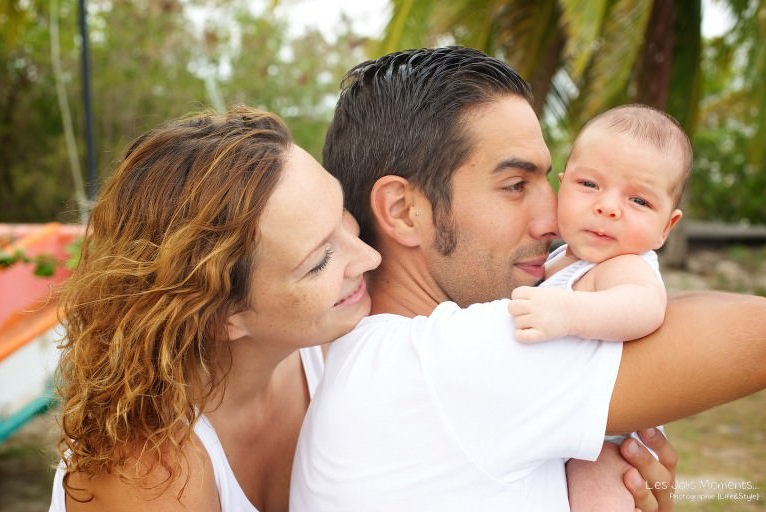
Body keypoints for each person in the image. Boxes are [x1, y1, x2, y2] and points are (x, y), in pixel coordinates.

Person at [290, 46, 766, 511]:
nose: (554, 220)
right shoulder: (447, 364)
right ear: (404, 211)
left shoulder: (381, 357)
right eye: (516, 186)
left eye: (549, 181)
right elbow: (753, 334)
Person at [49, 106, 382, 512]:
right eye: (320, 261)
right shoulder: (147, 471)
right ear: (223, 315)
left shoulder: (334, 342)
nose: (369, 258)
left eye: (344, 218)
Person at [509, 104, 691, 511]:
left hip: (612, 439)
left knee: (602, 494)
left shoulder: (624, 265)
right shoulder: (559, 260)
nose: (608, 206)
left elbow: (644, 307)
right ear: (561, 184)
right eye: (589, 184)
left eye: (639, 200)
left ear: (666, 226)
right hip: (564, 420)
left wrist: (569, 313)